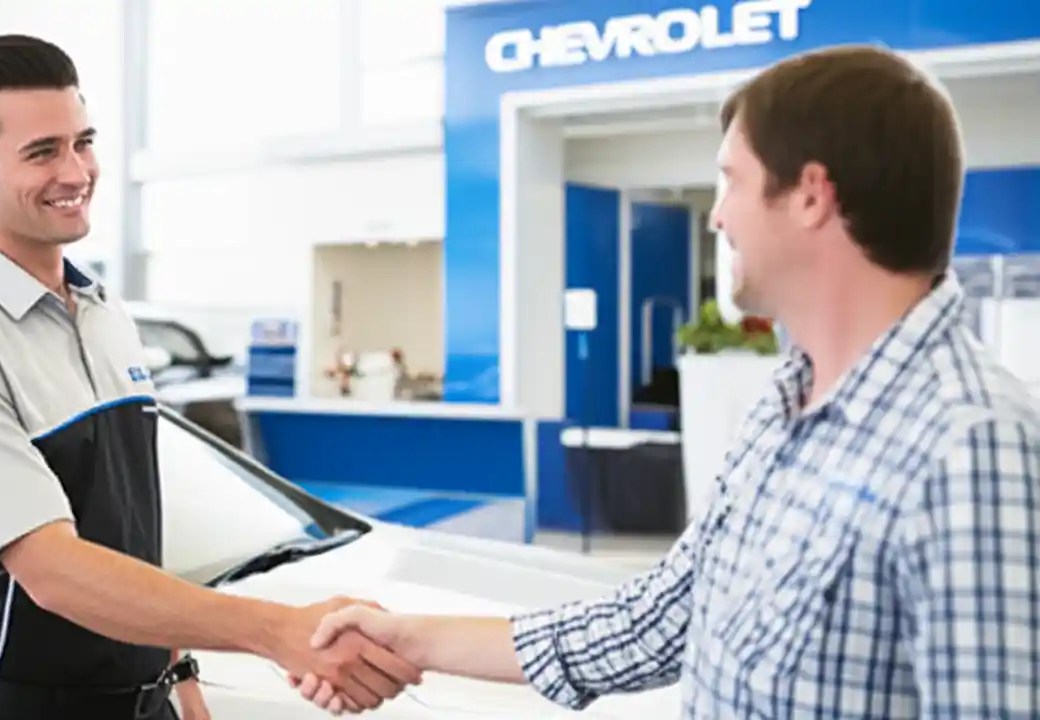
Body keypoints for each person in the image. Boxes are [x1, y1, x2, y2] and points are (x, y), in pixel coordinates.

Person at [294, 44, 1040, 718]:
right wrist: (410, 638)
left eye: (731, 182)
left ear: (812, 195)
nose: (717, 215)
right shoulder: (784, 411)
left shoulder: (972, 447)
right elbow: (656, 623)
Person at [0, 34, 419, 720]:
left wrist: (180, 675)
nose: (76, 171)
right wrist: (278, 631)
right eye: (43, 152)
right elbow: (55, 572)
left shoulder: (104, 314)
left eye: (83, 141)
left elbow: (129, 533)